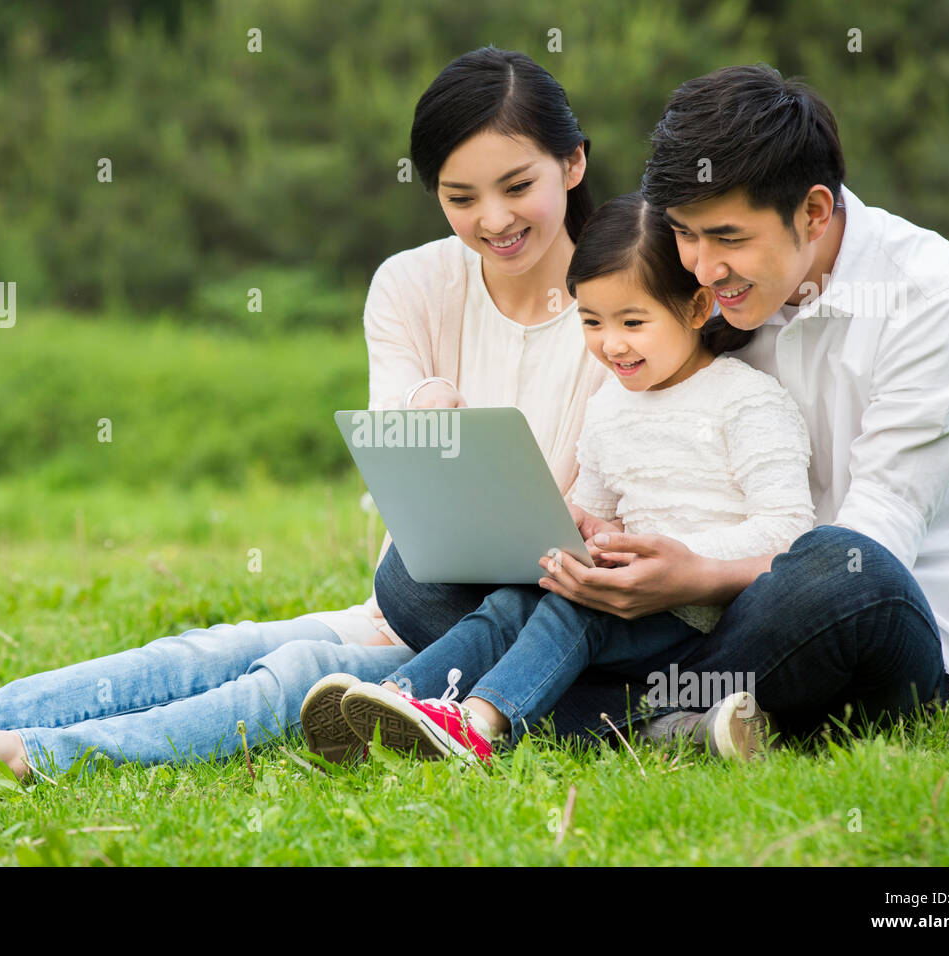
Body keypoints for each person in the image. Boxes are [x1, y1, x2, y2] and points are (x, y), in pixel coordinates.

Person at [0, 46, 609, 795]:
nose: (493, 220)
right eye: (460, 197)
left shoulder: (626, 310)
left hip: (520, 636)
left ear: (572, 164)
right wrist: (427, 426)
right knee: (202, 649)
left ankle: (20, 758)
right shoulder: (411, 285)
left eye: (516, 186)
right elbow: (405, 474)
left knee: (294, 674)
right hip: (406, 601)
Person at [372, 63, 949, 749]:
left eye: (729, 238)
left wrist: (696, 575)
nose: (703, 269)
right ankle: (682, 719)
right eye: (686, 234)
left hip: (853, 624)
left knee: (837, 568)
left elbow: (876, 543)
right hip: (677, 621)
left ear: (815, 212)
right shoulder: (702, 284)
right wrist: (584, 540)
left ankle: (592, 710)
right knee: (415, 577)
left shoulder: (935, 301)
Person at [310, 192, 814, 762]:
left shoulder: (745, 400)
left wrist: (678, 559)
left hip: (702, 612)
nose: (611, 343)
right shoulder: (610, 406)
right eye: (592, 321)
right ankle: (394, 702)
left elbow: (791, 533)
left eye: (633, 321)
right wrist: (572, 528)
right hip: (626, 599)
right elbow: (593, 510)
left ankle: (479, 723)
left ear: (698, 309)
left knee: (572, 610)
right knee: (516, 605)